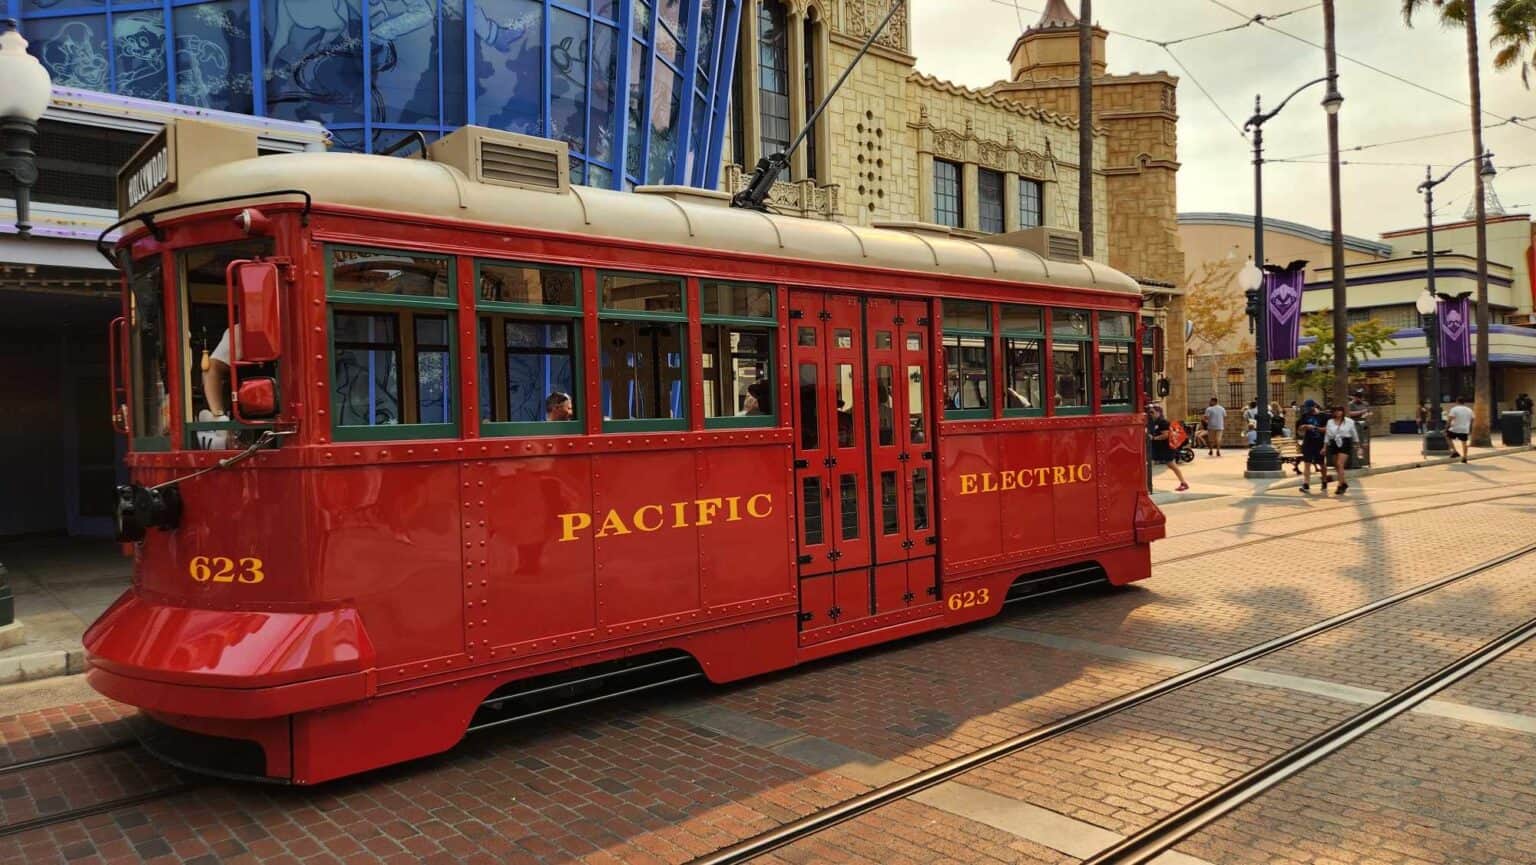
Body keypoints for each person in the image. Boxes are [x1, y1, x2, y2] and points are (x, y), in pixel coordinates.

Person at [1147, 404, 1189, 492]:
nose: (1150, 414)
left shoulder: (1162, 422)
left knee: (1171, 464)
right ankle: (1148, 483)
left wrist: (1154, 438)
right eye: (1149, 412)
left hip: (1166, 448)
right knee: (1152, 464)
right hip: (1159, 447)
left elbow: (1165, 435)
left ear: (1158, 412)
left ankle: (1183, 483)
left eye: (1152, 412)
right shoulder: (1154, 422)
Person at [1296, 399, 1329, 492]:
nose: (1308, 410)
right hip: (1308, 442)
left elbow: (1327, 429)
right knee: (1307, 463)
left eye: (1310, 408)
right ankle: (1306, 484)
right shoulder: (1305, 416)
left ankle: (1324, 480)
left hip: (1319, 442)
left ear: (1314, 406)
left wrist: (1315, 427)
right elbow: (1300, 429)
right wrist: (1304, 427)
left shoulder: (1324, 416)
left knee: (1321, 464)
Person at [1325, 405, 1358, 495]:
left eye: (1339, 411)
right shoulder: (1330, 422)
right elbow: (1327, 434)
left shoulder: (1349, 422)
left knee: (1340, 464)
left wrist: (1357, 444)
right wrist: (1324, 446)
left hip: (1345, 442)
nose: (1337, 413)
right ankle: (1344, 483)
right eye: (1335, 411)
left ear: (1343, 412)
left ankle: (1340, 486)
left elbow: (1354, 433)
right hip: (1334, 442)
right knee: (1336, 465)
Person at [1446, 395, 1475, 464]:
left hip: (1455, 428)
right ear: (1464, 402)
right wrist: (1470, 428)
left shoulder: (1454, 409)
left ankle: (1455, 451)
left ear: (1457, 401)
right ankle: (1465, 457)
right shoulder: (1469, 410)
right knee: (1464, 443)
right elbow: (1472, 419)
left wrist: (1447, 427)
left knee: (1447, 437)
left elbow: (1450, 419)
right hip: (1465, 429)